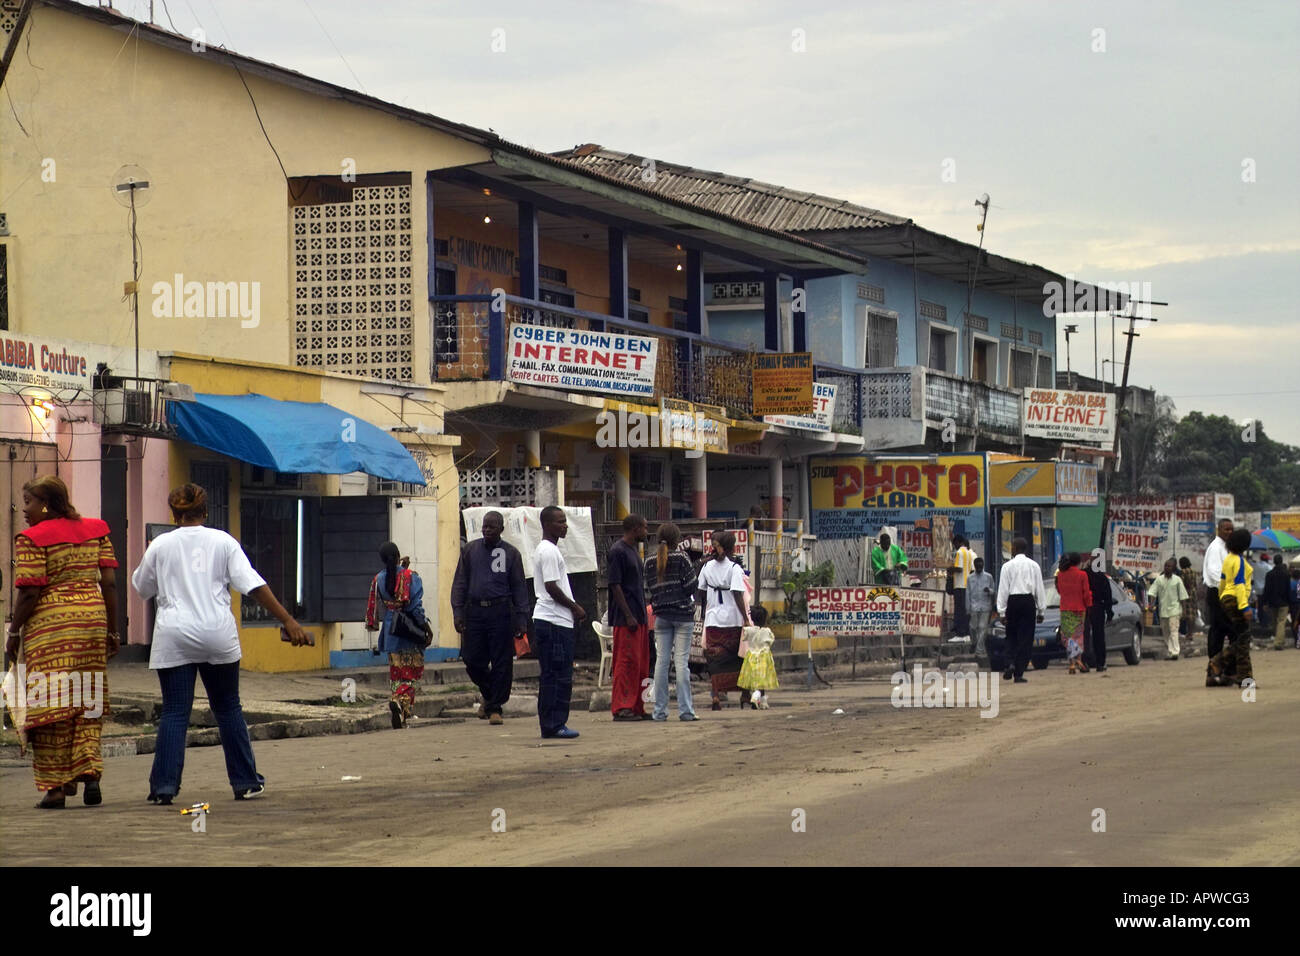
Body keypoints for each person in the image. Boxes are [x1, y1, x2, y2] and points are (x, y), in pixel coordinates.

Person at [132, 483, 310, 804]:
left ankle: (164, 788)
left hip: (175, 635)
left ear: (174, 514)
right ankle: (245, 781)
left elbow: (142, 587)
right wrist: (288, 620)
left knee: (175, 712)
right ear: (206, 511)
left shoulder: (160, 545)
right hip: (217, 633)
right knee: (228, 708)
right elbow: (253, 585)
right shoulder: (224, 542)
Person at [7, 476, 119, 809]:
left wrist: (13, 632)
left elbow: (29, 591)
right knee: (86, 697)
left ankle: (56, 788)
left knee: (49, 704)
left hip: (52, 629)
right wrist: (113, 631)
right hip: (92, 621)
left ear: (45, 503)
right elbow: (110, 584)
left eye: (28, 502)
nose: (25, 510)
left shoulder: (31, 538)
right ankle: (90, 776)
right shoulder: (97, 530)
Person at [451, 511, 530, 725]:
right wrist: (458, 612)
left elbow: (519, 588)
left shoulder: (512, 554)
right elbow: (460, 583)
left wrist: (521, 619)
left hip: (501, 612)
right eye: (484, 526)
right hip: (475, 612)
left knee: (501, 661)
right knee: (472, 660)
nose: (487, 530)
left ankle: (495, 707)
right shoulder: (470, 550)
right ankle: (490, 694)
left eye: (492, 527)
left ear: (501, 529)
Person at [365, 541, 432, 730]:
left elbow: (392, 586)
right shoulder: (411, 577)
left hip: (390, 631)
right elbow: (415, 607)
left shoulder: (378, 578)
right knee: (411, 674)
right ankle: (400, 702)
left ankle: (400, 711)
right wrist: (427, 628)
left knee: (397, 673)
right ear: (398, 555)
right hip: (409, 630)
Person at [533, 505, 584, 739]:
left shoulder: (549, 550)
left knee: (554, 674)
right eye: (559, 521)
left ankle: (552, 723)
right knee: (557, 675)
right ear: (546, 525)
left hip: (556, 620)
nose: (564, 526)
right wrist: (574, 607)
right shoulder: (548, 551)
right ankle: (554, 723)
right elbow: (552, 586)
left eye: (565, 521)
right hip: (553, 621)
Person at [645, 521, 698, 722]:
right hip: (683, 616)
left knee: (661, 662)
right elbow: (692, 585)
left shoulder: (649, 560)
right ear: (678, 540)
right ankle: (686, 711)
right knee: (681, 663)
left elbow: (648, 588)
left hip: (661, 616)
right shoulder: (682, 558)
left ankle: (659, 712)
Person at [697, 530, 750, 710]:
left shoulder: (707, 567)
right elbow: (737, 593)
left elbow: (701, 590)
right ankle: (744, 693)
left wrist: (703, 613)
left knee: (715, 660)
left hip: (713, 621)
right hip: (733, 620)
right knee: (737, 658)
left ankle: (716, 695)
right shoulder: (734, 569)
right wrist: (746, 619)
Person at [608, 514, 651, 721]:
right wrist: (628, 615)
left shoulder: (633, 551)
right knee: (625, 663)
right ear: (634, 529)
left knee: (641, 664)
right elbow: (615, 585)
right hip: (627, 618)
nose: (647, 531)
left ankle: (636, 706)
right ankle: (622, 707)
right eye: (644, 527)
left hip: (639, 615)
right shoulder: (617, 551)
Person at [1207, 528, 1254, 687]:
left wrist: (1222, 597)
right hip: (1236, 599)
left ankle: (1242, 677)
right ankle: (1222, 663)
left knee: (1241, 638)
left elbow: (1222, 581)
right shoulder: (1239, 561)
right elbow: (1239, 584)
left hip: (1226, 598)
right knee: (1243, 640)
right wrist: (1244, 606)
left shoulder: (1228, 559)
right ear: (1245, 545)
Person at [995, 538, 1046, 683]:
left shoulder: (1007, 566)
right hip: (1028, 602)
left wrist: (1002, 612)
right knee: (1026, 638)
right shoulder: (1034, 566)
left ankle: (1009, 663)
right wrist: (1041, 611)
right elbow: (1039, 589)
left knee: (1011, 635)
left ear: (1015, 548)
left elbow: (1003, 589)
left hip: (1013, 602)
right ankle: (1018, 673)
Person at [1202, 518, 1233, 661]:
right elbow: (1214, 573)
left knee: (1224, 630)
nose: (1229, 532)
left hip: (1226, 592)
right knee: (1219, 630)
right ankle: (1215, 664)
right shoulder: (1215, 547)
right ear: (1218, 530)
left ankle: (1222, 666)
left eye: (1231, 529)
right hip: (1218, 592)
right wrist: (1227, 588)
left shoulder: (1227, 547)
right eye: (1226, 529)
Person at [1056, 553, 1093, 674]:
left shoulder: (1060, 575)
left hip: (1065, 609)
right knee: (1078, 636)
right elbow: (1086, 593)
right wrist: (1089, 605)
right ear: (1078, 562)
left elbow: (1060, 591)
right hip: (1079, 609)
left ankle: (1071, 663)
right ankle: (1079, 660)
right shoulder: (1082, 575)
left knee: (1068, 636)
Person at [737, 604, 778, 708]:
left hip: (751, 658)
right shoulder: (767, 631)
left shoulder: (749, 630)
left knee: (752, 679)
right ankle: (759, 699)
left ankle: (755, 697)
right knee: (762, 681)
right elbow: (771, 641)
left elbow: (744, 638)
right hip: (764, 658)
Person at [1149, 558, 1190, 661]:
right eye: (1166, 566)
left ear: (1173, 568)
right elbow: (1153, 592)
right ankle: (1171, 651)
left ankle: (1175, 652)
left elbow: (1183, 596)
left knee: (1174, 631)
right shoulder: (1159, 579)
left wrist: (1184, 610)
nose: (1167, 568)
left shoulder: (1177, 580)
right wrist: (1151, 604)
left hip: (1175, 610)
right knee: (1166, 632)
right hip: (1163, 610)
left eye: (1169, 566)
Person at [1086, 561, 1114, 671]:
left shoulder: (1083, 575)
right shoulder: (1102, 578)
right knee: (1099, 636)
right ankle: (1100, 663)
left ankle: (1084, 661)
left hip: (1085, 608)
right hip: (1098, 608)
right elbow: (1108, 596)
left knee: (1084, 635)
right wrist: (1109, 612)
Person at [966, 557, 996, 660]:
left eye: (981, 565)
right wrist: (967, 608)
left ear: (983, 565)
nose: (979, 567)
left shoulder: (989, 577)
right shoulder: (970, 578)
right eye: (977, 566)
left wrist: (989, 590)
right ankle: (974, 642)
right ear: (974, 566)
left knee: (982, 628)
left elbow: (994, 591)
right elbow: (967, 593)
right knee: (973, 628)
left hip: (985, 606)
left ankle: (979, 651)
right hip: (974, 606)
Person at [1263, 554, 1291, 651]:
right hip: (1284, 602)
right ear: (1282, 561)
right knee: (1281, 622)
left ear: (1274, 562)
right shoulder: (1287, 574)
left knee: (1275, 622)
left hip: (1272, 602)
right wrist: (1290, 602)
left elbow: (1266, 589)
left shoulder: (1269, 574)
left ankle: (1278, 640)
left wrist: (1264, 602)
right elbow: (1288, 589)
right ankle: (1279, 642)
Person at [950, 536, 975, 639]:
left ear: (958, 542)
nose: (954, 546)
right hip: (967, 585)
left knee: (959, 610)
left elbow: (959, 568)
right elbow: (972, 569)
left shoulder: (959, 553)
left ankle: (960, 634)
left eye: (954, 544)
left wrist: (950, 568)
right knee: (965, 611)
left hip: (959, 585)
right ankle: (966, 634)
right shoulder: (969, 553)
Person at [1178, 556, 1200, 638]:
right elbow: (1194, 584)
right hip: (1193, 593)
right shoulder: (1193, 572)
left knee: (1187, 614)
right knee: (1192, 614)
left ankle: (1188, 633)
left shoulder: (1183, 572)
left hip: (1186, 593)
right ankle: (1190, 633)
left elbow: (1181, 584)